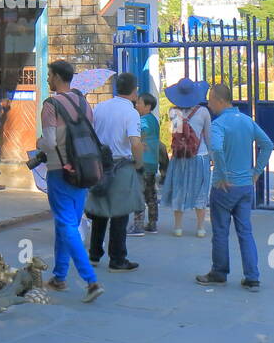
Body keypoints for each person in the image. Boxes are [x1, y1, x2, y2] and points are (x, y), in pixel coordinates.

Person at [196, 83, 274, 291]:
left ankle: (219, 272)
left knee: (220, 231)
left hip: (224, 187)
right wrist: (256, 171)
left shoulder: (219, 124)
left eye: (211, 100)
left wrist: (221, 173)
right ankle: (252, 276)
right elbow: (268, 144)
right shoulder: (247, 121)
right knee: (245, 231)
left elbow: (217, 148)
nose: (209, 104)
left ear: (220, 100)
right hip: (245, 186)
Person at [40, 60, 104, 302]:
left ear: (57, 77)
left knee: (67, 226)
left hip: (60, 170)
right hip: (85, 170)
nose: (48, 79)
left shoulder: (51, 105)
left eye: (49, 75)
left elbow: (49, 142)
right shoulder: (83, 102)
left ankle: (90, 281)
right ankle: (59, 276)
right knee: (66, 223)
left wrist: (38, 144)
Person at [85, 72, 144, 271]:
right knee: (120, 213)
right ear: (135, 91)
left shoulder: (100, 107)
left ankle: (94, 253)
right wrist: (139, 163)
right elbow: (135, 143)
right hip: (121, 164)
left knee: (100, 210)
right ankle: (117, 258)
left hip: (100, 163)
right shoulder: (131, 113)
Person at [160, 77, 214, 237]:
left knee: (179, 189)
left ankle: (178, 227)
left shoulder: (173, 112)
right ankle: (200, 228)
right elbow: (208, 136)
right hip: (200, 156)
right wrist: (212, 157)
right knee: (201, 191)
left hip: (180, 157)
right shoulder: (203, 112)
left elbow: (176, 134)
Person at [132, 92, 160, 234]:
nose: (136, 105)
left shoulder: (143, 121)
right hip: (153, 162)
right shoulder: (154, 120)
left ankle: (138, 225)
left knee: (139, 194)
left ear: (148, 106)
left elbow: (140, 134)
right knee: (151, 194)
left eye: (139, 103)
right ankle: (152, 223)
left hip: (142, 161)